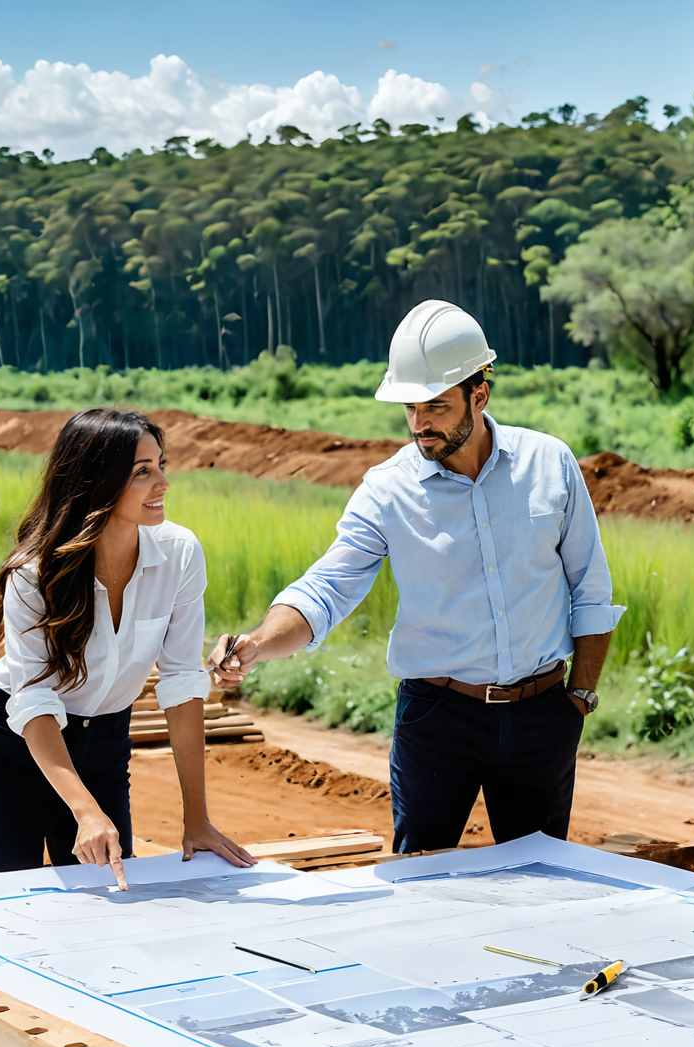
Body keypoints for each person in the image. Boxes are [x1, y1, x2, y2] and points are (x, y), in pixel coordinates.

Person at [210, 300, 624, 853]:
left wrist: (580, 700)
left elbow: (591, 591)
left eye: (435, 405)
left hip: (544, 715)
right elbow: (326, 588)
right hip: (438, 722)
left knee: (541, 884)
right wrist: (257, 645)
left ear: (480, 394)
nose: (420, 423)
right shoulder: (387, 490)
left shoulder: (550, 464)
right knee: (420, 883)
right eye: (410, 407)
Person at [0, 408, 254, 888]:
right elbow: (33, 701)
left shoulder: (179, 553)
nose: (162, 482)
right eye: (142, 472)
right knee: (16, 903)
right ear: (96, 481)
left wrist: (196, 818)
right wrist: (85, 812)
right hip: (14, 747)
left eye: (161, 465)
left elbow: (181, 681)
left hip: (103, 746)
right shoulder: (34, 574)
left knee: (111, 898)